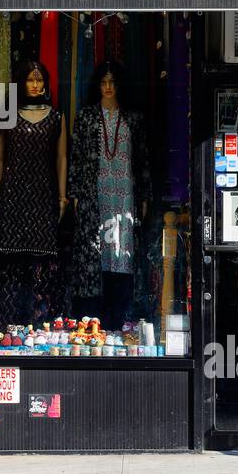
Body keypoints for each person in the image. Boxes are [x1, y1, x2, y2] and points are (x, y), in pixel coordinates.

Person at [69, 60, 151, 329]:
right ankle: (92, 319)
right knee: (95, 253)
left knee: (123, 253)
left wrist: (145, 196)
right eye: (103, 82)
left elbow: (143, 159)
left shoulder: (134, 119)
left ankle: (120, 319)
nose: (107, 87)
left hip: (125, 196)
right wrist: (75, 192)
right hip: (96, 197)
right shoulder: (86, 117)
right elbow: (77, 157)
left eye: (112, 82)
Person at [0, 60, 67, 327]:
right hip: (13, 194)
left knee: (41, 263)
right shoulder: (8, 112)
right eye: (31, 80)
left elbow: (61, 158)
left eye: (40, 80)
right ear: (22, 83)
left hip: (44, 195)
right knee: (10, 261)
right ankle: (6, 323)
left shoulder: (56, 117)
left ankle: (40, 324)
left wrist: (62, 196)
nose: (35, 85)